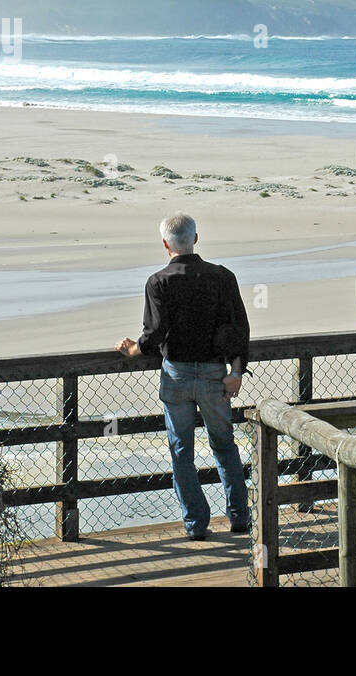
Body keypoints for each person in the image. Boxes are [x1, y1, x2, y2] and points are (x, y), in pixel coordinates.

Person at [115, 212, 251, 541]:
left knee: (181, 452)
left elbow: (154, 332)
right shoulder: (222, 277)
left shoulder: (158, 282)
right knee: (224, 446)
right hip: (214, 374)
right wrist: (236, 372)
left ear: (165, 244)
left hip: (175, 374)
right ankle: (239, 517)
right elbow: (239, 329)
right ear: (196, 239)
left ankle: (195, 523)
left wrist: (135, 350)